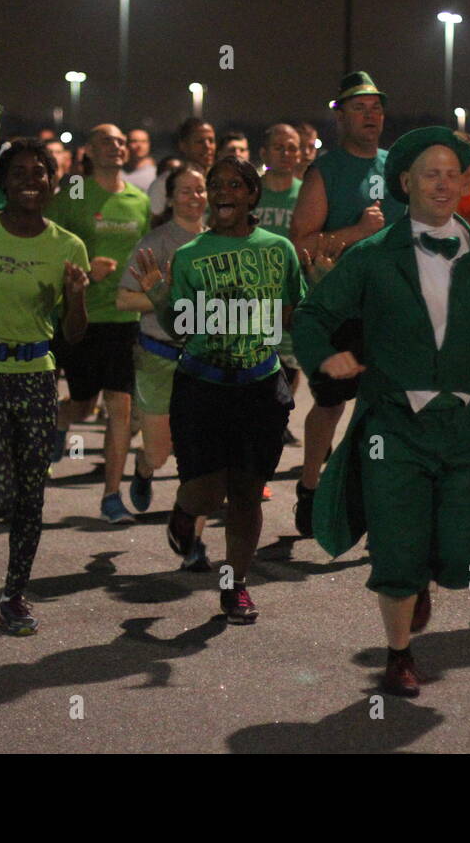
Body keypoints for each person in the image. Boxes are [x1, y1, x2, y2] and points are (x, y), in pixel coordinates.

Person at [292, 126, 470, 697]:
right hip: (392, 423)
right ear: (405, 182)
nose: (442, 183)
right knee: (399, 545)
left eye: (453, 173)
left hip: (460, 425)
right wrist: (325, 358)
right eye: (430, 174)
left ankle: (425, 575)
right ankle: (399, 652)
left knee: (460, 558)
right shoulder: (372, 255)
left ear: (466, 182)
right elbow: (312, 316)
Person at [138, 157, 305, 623]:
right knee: (209, 496)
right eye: (217, 185)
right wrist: (157, 294)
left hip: (259, 387)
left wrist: (324, 283)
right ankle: (184, 508)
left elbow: (292, 314)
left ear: (253, 195)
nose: (224, 192)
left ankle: (235, 586)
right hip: (203, 386)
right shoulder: (191, 255)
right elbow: (179, 327)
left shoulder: (279, 250)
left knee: (248, 494)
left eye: (236, 184)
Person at [0, 139, 90, 635]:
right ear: (4, 181)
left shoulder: (69, 246)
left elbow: (74, 333)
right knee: (0, 485)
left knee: (32, 496)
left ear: (53, 182)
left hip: (36, 375)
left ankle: (13, 597)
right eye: (21, 172)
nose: (32, 179)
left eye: (42, 172)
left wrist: (75, 297)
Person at [288, 71, 396, 539]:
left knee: (385, 406)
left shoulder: (397, 168)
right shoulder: (324, 172)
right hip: (338, 308)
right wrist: (356, 233)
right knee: (331, 404)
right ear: (340, 116)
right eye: (359, 107)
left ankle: (374, 494)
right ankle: (311, 486)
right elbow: (300, 244)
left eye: (376, 107)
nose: (371, 115)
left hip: (389, 310)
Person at [46, 124, 151, 523]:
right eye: (106, 141)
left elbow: (144, 253)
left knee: (119, 406)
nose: (116, 146)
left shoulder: (138, 200)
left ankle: (111, 496)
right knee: (84, 404)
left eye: (121, 141)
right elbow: (49, 243)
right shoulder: (74, 193)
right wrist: (87, 269)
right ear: (89, 150)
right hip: (82, 315)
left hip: (125, 316)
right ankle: (60, 419)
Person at [117, 165, 210, 568]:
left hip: (205, 360)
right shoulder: (155, 242)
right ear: (170, 198)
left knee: (202, 458)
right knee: (160, 452)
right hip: (159, 355)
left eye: (200, 189)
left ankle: (193, 543)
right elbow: (124, 299)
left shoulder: (218, 242)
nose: (195, 196)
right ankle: (143, 466)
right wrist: (163, 297)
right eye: (185, 191)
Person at [256, 123, 306, 445]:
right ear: (264, 153)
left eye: (292, 148)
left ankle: (275, 418)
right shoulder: (249, 192)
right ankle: (262, 425)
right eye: (279, 147)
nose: (286, 154)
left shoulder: (307, 194)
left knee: (290, 366)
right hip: (251, 299)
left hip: (292, 298)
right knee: (256, 367)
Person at [148, 118, 215, 220]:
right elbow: (152, 222)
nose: (207, 146)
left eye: (211, 140)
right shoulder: (165, 183)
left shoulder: (218, 182)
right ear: (183, 146)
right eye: (199, 141)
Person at [125, 127, 157, 191]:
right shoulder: (116, 172)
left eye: (143, 141)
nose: (139, 146)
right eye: (134, 141)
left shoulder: (157, 174)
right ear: (126, 144)